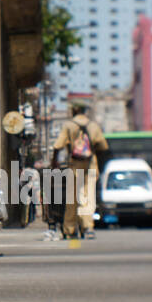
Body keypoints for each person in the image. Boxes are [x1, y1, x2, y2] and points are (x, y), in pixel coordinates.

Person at [51, 102, 108, 239]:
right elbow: (103, 147)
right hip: (91, 166)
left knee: (72, 199)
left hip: (74, 166)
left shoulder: (69, 125)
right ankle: (87, 227)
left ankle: (69, 229)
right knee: (87, 197)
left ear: (74, 110)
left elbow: (58, 145)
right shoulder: (94, 126)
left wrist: (54, 161)